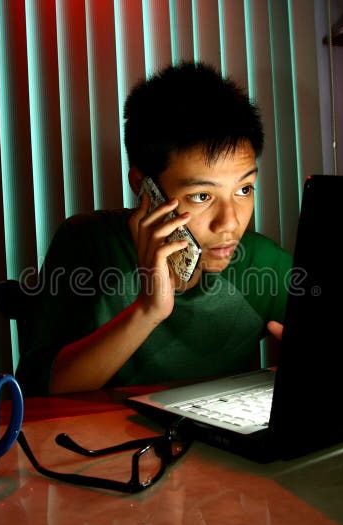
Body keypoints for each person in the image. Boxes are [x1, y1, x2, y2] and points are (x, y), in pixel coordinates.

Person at [15, 61, 292, 396]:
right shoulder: (88, 243)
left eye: (244, 189)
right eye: (202, 195)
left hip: (216, 444)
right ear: (143, 186)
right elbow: (38, 390)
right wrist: (148, 311)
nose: (230, 223)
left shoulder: (263, 262)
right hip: (106, 441)